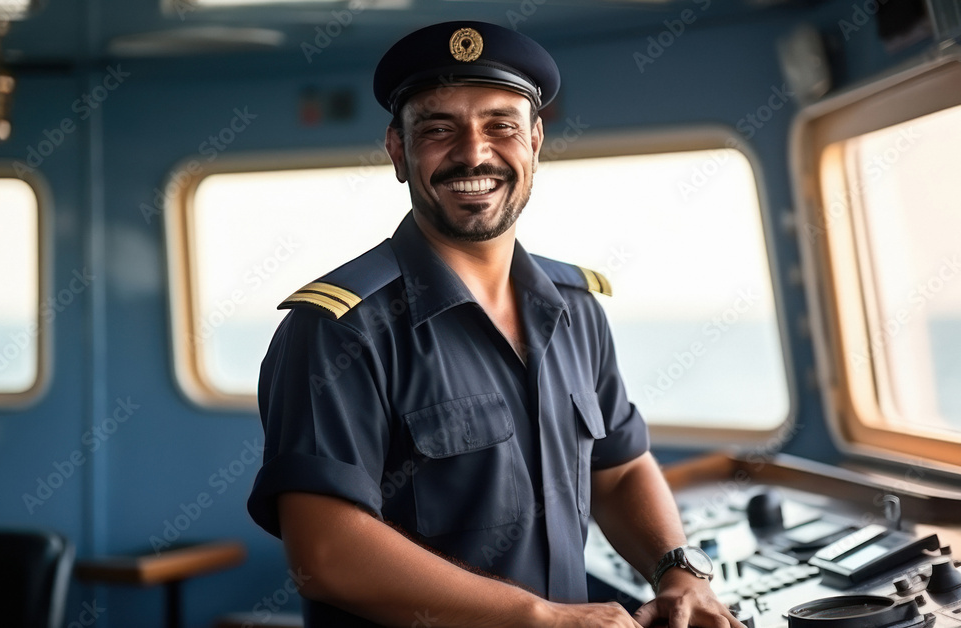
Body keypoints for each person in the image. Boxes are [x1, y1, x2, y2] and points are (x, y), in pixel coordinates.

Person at [248, 20, 744, 628]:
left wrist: (679, 572)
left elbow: (617, 470)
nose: (474, 152)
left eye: (500, 125)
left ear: (535, 141)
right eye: (438, 129)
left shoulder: (576, 309)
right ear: (399, 151)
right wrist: (540, 618)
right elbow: (325, 554)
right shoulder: (338, 330)